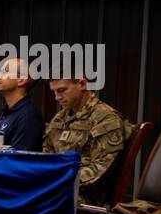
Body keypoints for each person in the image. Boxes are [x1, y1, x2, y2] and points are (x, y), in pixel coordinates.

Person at [44, 78, 134, 206]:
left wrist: (59, 181)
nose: (57, 97)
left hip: (86, 194)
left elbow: (101, 168)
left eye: (62, 90)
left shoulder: (106, 118)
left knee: (33, 201)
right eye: (54, 92)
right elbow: (47, 155)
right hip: (60, 186)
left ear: (81, 84)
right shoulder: (61, 117)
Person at [0, 58, 44, 151]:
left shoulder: (28, 116)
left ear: (21, 80)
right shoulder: (6, 112)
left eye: (5, 72)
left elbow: (18, 160)